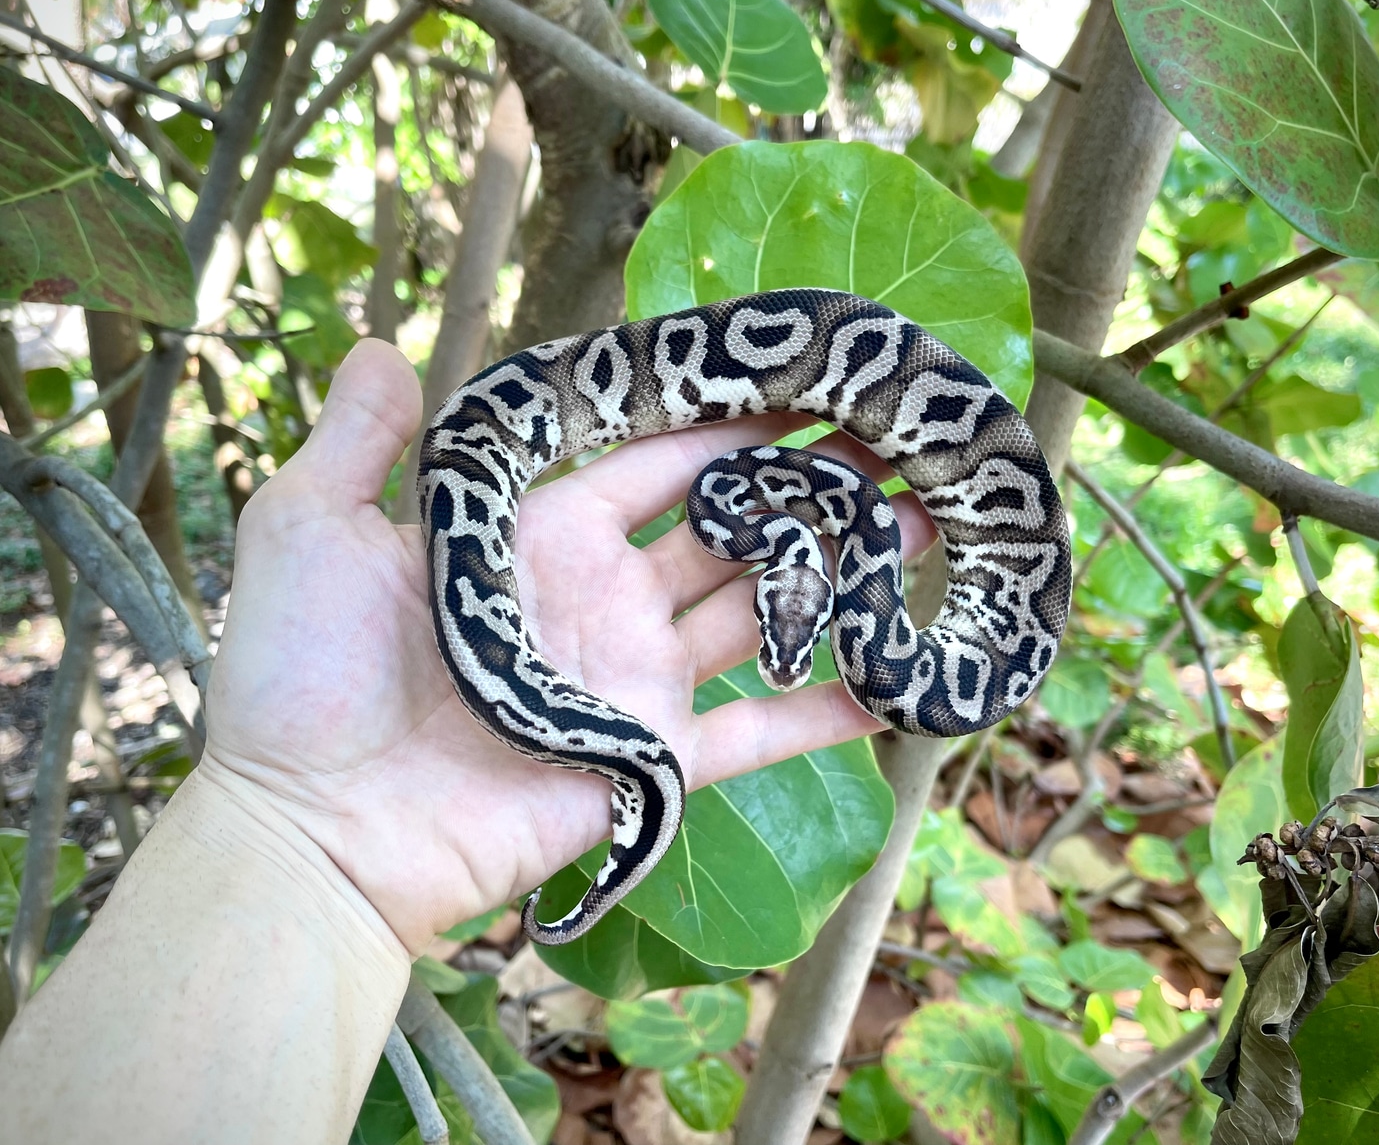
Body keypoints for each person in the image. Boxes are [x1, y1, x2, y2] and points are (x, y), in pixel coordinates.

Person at [0, 338, 935, 1142]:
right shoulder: (748, 513)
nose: (781, 657)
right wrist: (289, 824)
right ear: (785, 565)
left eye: (796, 640)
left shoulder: (781, 532)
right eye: (785, 630)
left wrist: (302, 854)